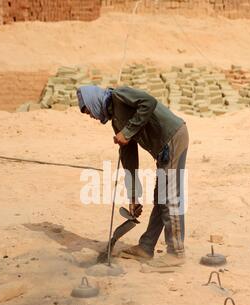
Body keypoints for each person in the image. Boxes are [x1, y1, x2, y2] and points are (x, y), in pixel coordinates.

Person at [77, 85, 189, 268]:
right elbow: (129, 159)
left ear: (93, 101)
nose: (91, 116)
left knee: (169, 196)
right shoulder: (116, 122)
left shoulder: (119, 96)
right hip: (163, 148)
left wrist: (127, 132)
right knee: (160, 198)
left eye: (89, 111)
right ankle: (146, 247)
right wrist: (133, 197)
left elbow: (149, 102)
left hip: (173, 136)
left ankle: (176, 252)